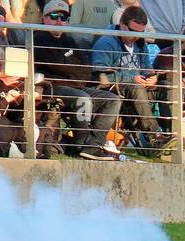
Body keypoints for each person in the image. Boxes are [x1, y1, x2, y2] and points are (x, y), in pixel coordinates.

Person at [35, 0, 123, 160]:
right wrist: (72, 68)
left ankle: (94, 144)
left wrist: (72, 69)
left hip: (76, 87)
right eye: (54, 16)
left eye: (64, 18)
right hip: (52, 89)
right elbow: (55, 65)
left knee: (113, 100)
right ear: (43, 18)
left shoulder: (69, 40)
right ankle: (82, 145)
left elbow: (85, 67)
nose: (59, 21)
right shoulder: (38, 39)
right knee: (83, 99)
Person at [91, 5, 174, 151]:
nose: (136, 36)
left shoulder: (140, 43)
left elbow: (146, 67)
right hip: (117, 90)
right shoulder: (105, 42)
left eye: (141, 33)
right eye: (133, 31)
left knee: (168, 86)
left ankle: (172, 134)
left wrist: (152, 77)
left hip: (139, 88)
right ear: (122, 25)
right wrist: (132, 79)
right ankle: (154, 136)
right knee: (136, 88)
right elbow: (101, 76)